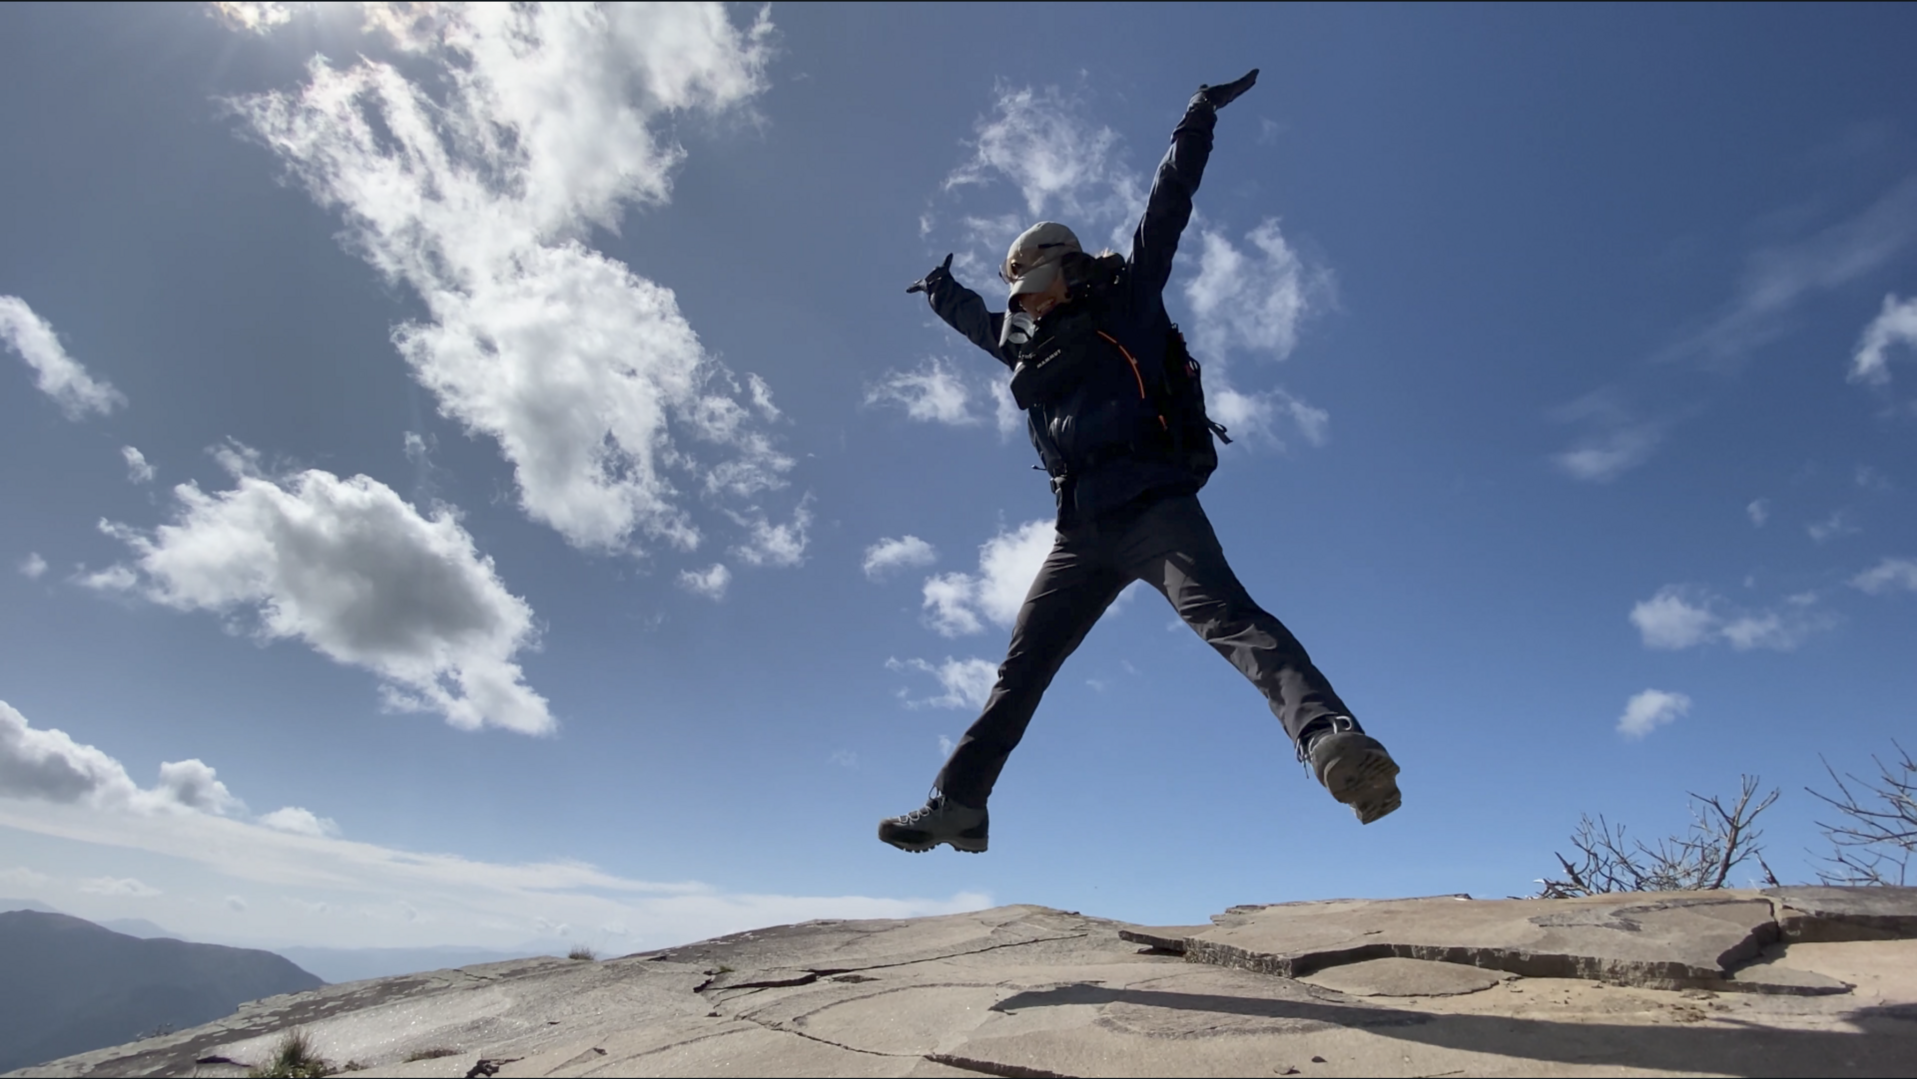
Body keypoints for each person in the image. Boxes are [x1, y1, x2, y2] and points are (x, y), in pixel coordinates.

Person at [883, 70, 1401, 855]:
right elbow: (976, 324)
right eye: (1016, 297)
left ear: (1065, 263)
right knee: (1018, 672)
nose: (1024, 305)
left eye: (1031, 286)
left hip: (1155, 506)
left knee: (1228, 618)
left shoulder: (1125, 298)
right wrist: (938, 291)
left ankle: (1331, 737)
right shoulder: (1026, 342)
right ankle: (960, 804)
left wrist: (1195, 119)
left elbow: (1168, 206)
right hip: (1077, 530)